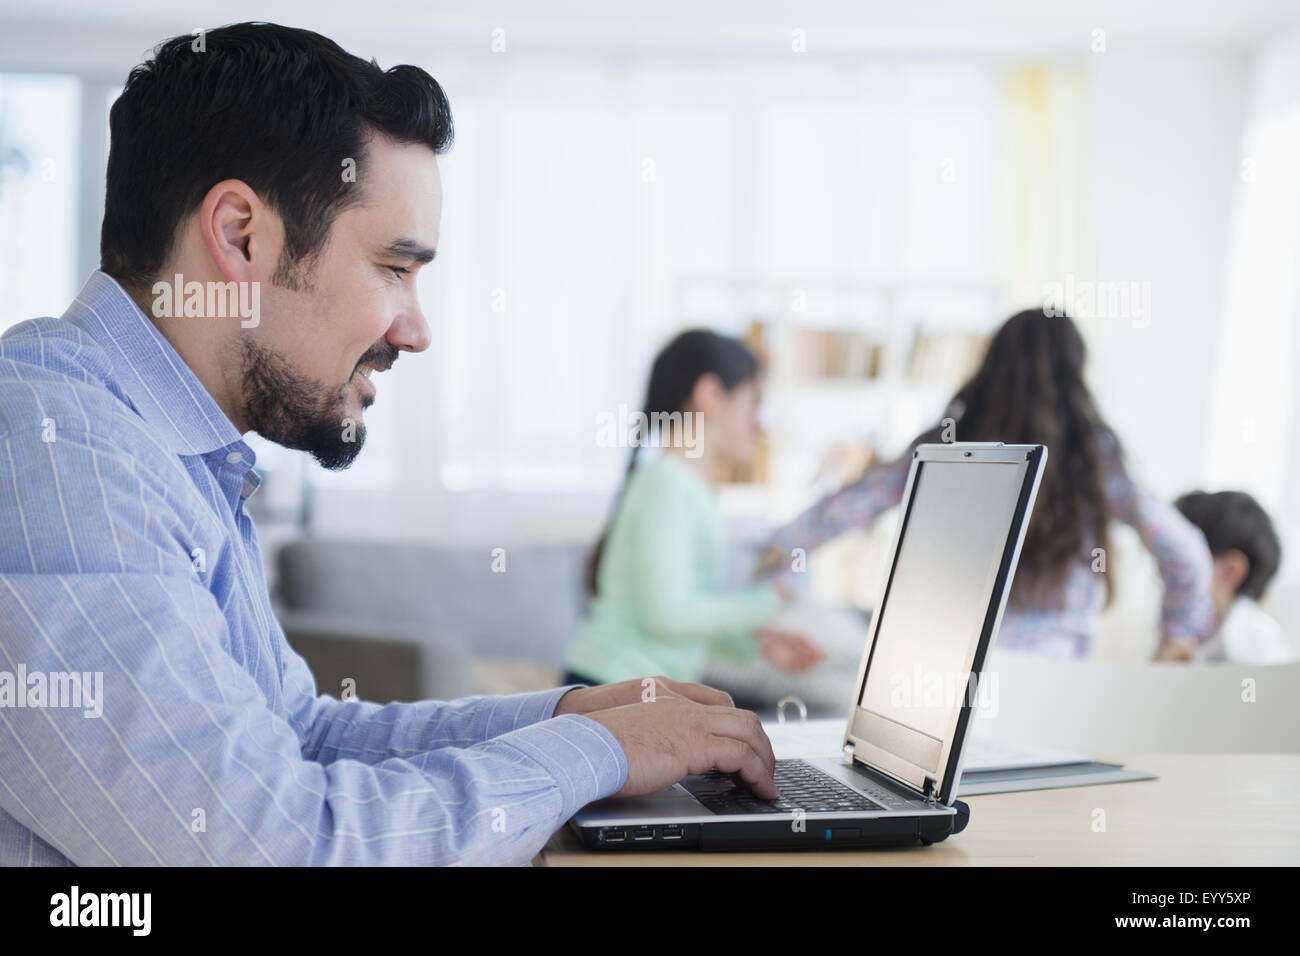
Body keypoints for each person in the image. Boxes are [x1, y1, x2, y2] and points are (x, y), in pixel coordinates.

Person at [0, 23, 780, 868]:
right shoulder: (57, 454)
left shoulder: (165, 451)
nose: (416, 330)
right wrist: (601, 755)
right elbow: (270, 844)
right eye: (392, 268)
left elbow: (299, 733)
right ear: (240, 235)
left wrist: (565, 722)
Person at [757, 309, 1216, 661]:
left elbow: (849, 507)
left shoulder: (951, 442)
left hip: (952, 671)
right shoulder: (1093, 459)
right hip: (1058, 682)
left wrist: (771, 562)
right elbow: (1186, 553)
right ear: (1076, 373)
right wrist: (1176, 642)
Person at [564, 330, 824, 689]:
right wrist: (763, 605)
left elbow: (677, 619)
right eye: (755, 403)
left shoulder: (688, 489)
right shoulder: (667, 485)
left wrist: (756, 646)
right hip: (609, 685)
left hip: (627, 686)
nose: (759, 425)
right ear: (711, 394)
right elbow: (667, 614)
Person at [1174, 490, 1294, 664]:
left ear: (1230, 572)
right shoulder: (1203, 641)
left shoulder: (1249, 654)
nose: (1164, 576)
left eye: (1179, 562)